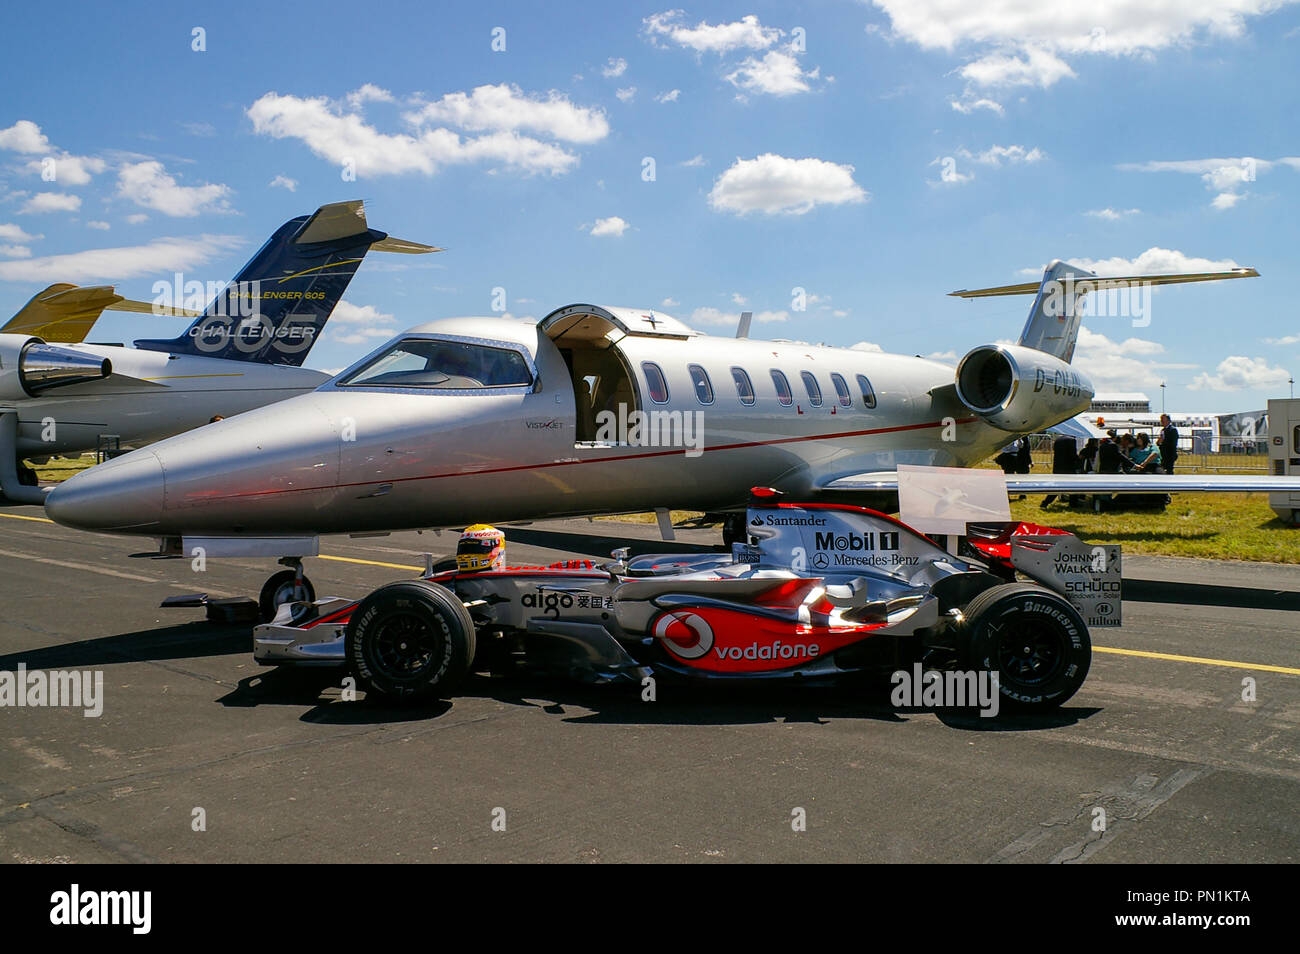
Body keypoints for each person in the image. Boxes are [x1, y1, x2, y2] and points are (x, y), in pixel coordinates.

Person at [1040, 435, 1080, 509]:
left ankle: (1046, 502)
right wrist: (1079, 459)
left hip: (1058, 467)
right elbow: (1072, 455)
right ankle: (1073, 503)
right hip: (1068, 467)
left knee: (1056, 487)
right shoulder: (1072, 440)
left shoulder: (1058, 439)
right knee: (1073, 486)